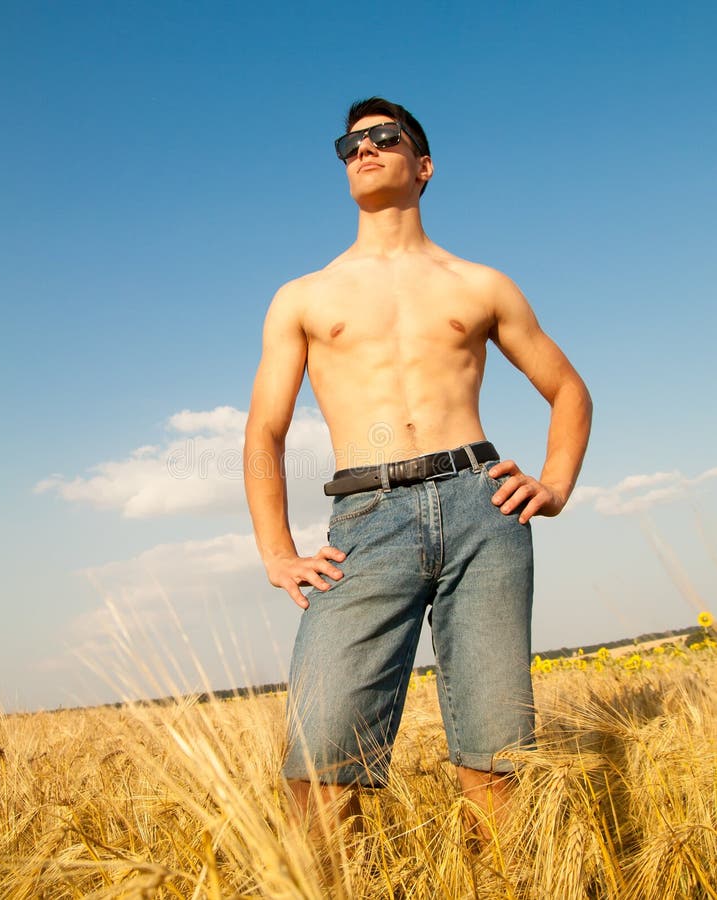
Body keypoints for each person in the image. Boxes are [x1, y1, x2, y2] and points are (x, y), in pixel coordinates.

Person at [243, 97, 592, 833]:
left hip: (482, 511)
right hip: (365, 519)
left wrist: (555, 484)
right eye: (349, 145)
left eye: (383, 137)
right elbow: (265, 431)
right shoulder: (303, 296)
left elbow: (568, 390)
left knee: (498, 750)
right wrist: (276, 552)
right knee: (321, 756)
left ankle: (499, 881)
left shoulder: (481, 284)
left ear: (423, 164)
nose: (363, 150)